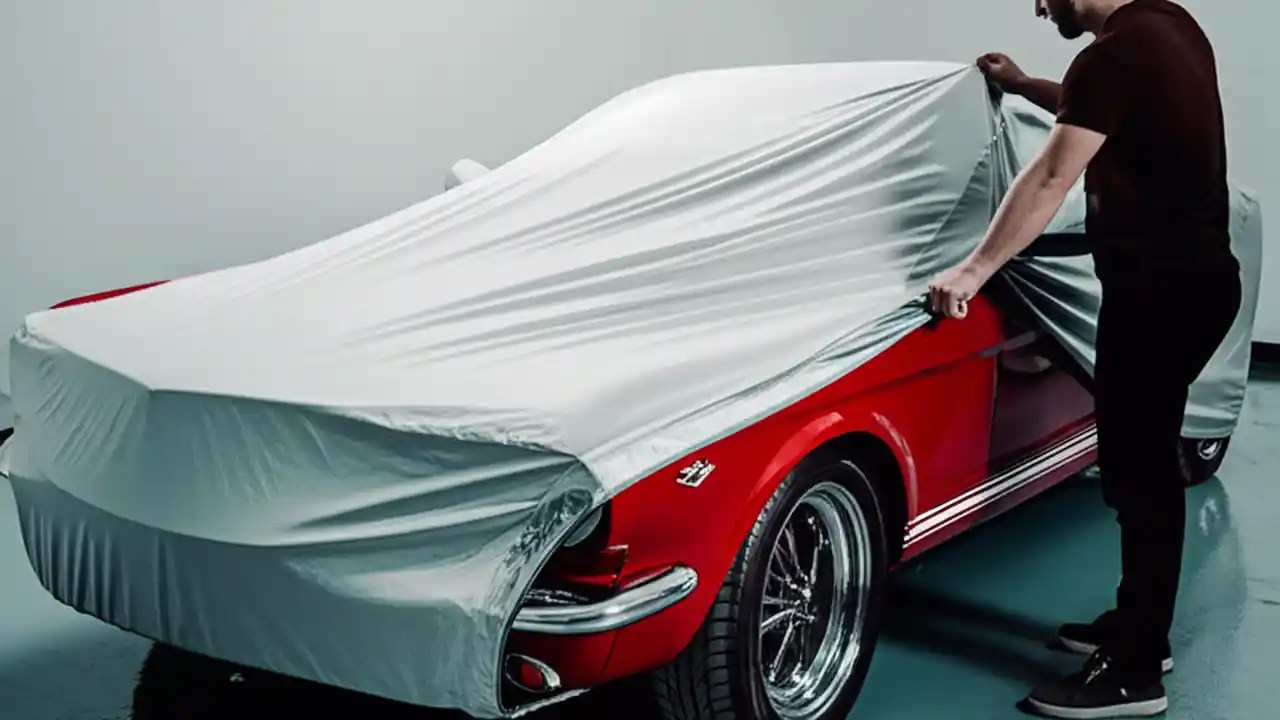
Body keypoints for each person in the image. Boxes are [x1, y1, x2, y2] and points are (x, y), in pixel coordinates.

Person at [927, 0, 1242, 717]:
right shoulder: (1167, 25)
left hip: (1160, 296)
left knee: (1141, 474)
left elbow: (1048, 178)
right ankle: (1142, 631)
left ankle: (1134, 674)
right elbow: (1097, 107)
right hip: (1197, 285)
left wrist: (973, 272)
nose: (1040, 5)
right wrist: (1023, 81)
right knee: (1142, 463)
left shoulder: (1111, 58)